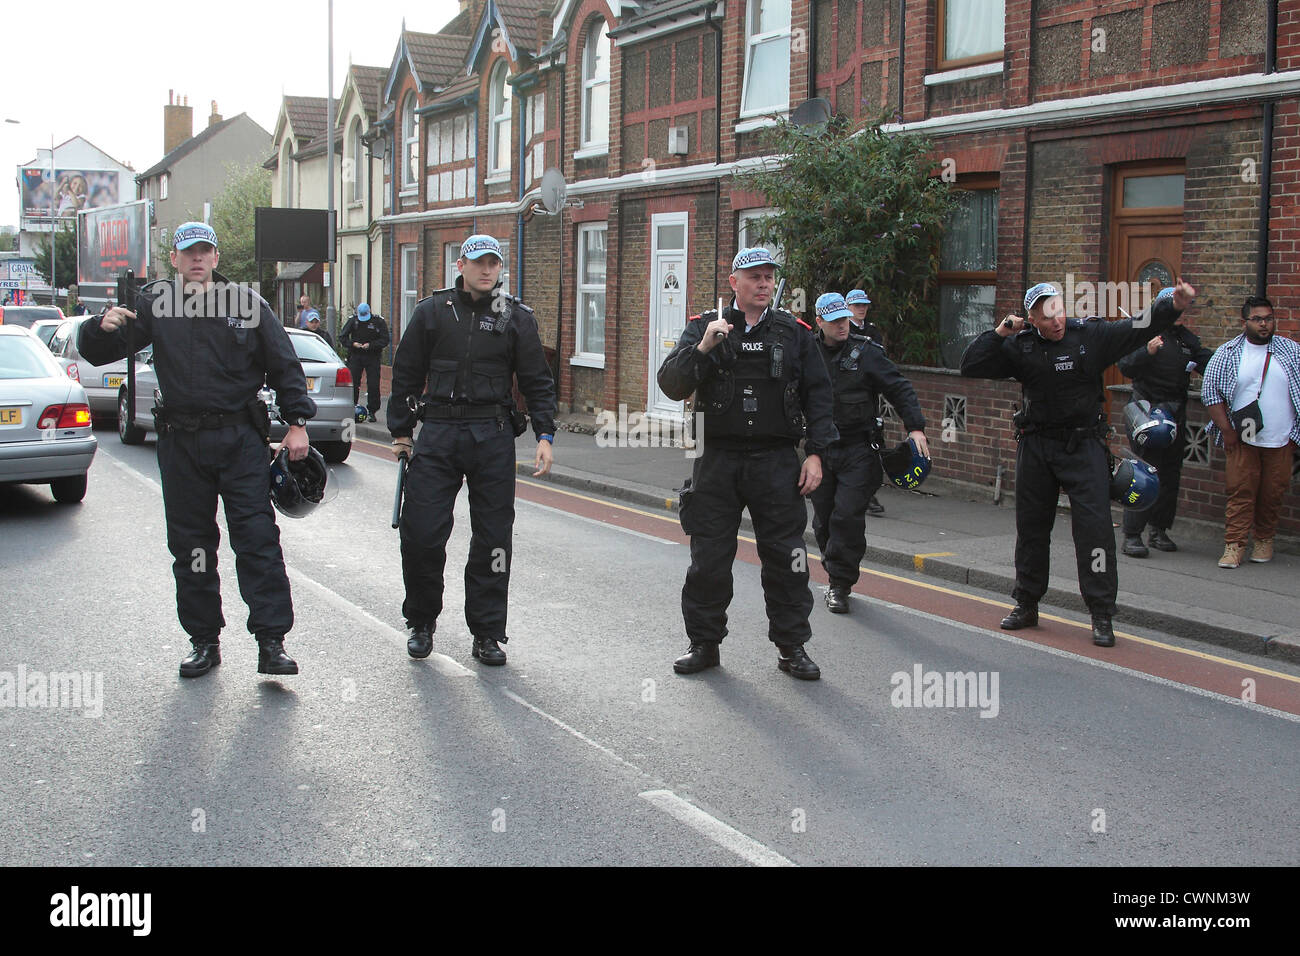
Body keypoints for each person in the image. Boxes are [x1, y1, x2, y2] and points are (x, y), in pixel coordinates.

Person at [77, 221, 315, 678]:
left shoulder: (247, 304)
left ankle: (271, 642)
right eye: (189, 253)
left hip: (240, 441)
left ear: (217, 258)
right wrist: (98, 326)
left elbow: (284, 364)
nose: (198, 259)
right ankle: (204, 641)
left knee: (257, 541)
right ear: (175, 259)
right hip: (182, 443)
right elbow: (102, 349)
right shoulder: (154, 305)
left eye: (205, 252)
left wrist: (298, 424)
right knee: (192, 548)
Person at [960, 279, 1195, 647]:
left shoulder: (1092, 336)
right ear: (1032, 319)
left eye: (1059, 310)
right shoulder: (1020, 345)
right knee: (1032, 530)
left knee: (1095, 533)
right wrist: (1002, 331)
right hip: (1037, 445)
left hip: (1084, 445)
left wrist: (1173, 307)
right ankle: (1027, 602)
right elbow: (971, 365)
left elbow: (1138, 326)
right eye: (1046, 316)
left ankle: (1101, 614)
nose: (1056, 321)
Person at [657, 248, 837, 680]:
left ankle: (792, 647)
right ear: (734, 282)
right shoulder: (705, 326)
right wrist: (703, 348)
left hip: (775, 461)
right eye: (754, 276)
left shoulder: (793, 332)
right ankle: (704, 643)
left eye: (769, 277)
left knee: (788, 558)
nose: (763, 284)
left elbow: (820, 395)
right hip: (716, 459)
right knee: (709, 558)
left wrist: (816, 452)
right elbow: (671, 383)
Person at [387, 235, 556, 666]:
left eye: (493, 263)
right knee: (421, 532)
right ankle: (421, 622)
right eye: (479, 263)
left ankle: (487, 633)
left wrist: (545, 435)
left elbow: (537, 379)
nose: (487, 270)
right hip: (439, 431)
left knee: (493, 540)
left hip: (492, 433)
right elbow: (406, 373)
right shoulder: (432, 312)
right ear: (460, 265)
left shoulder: (515, 317)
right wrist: (401, 432)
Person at [810, 293, 927, 613]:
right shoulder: (805, 350)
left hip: (859, 449)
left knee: (846, 515)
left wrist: (915, 427)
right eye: (834, 321)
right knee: (823, 520)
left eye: (845, 319)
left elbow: (900, 387)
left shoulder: (867, 353)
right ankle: (834, 567)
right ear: (819, 321)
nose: (842, 326)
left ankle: (839, 583)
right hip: (819, 451)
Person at [1201, 295, 1300, 569]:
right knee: (1240, 492)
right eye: (1258, 319)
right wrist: (1227, 430)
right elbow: (1211, 394)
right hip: (1243, 437)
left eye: (1269, 318)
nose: (1265, 324)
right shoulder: (1228, 352)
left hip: (1281, 439)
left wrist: (1295, 436)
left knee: (1273, 493)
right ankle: (1234, 545)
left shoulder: (1291, 352)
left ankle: (1265, 540)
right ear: (1245, 322)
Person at [1116, 287, 1214, 557]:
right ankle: (1132, 535)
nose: (1182, 312)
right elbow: (1125, 367)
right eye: (1176, 306)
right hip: (1145, 409)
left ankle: (1159, 529)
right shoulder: (1143, 331)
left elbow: (1208, 363)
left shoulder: (1188, 340)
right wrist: (1146, 352)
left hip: (1175, 411)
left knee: (1170, 473)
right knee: (1143, 472)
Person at [846, 288, 887, 515]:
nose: (861, 309)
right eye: (857, 305)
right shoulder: (843, 329)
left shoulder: (872, 332)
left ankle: (869, 494)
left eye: (864, 305)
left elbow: (880, 359)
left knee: (873, 446)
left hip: (869, 396)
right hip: (848, 396)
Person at [340, 302, 389, 422]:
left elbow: (385, 339)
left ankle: (372, 411)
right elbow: (343, 337)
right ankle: (352, 407)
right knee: (353, 383)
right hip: (356, 355)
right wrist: (353, 344)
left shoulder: (378, 322)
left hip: (372, 356)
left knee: (373, 384)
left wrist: (371, 345)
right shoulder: (353, 321)